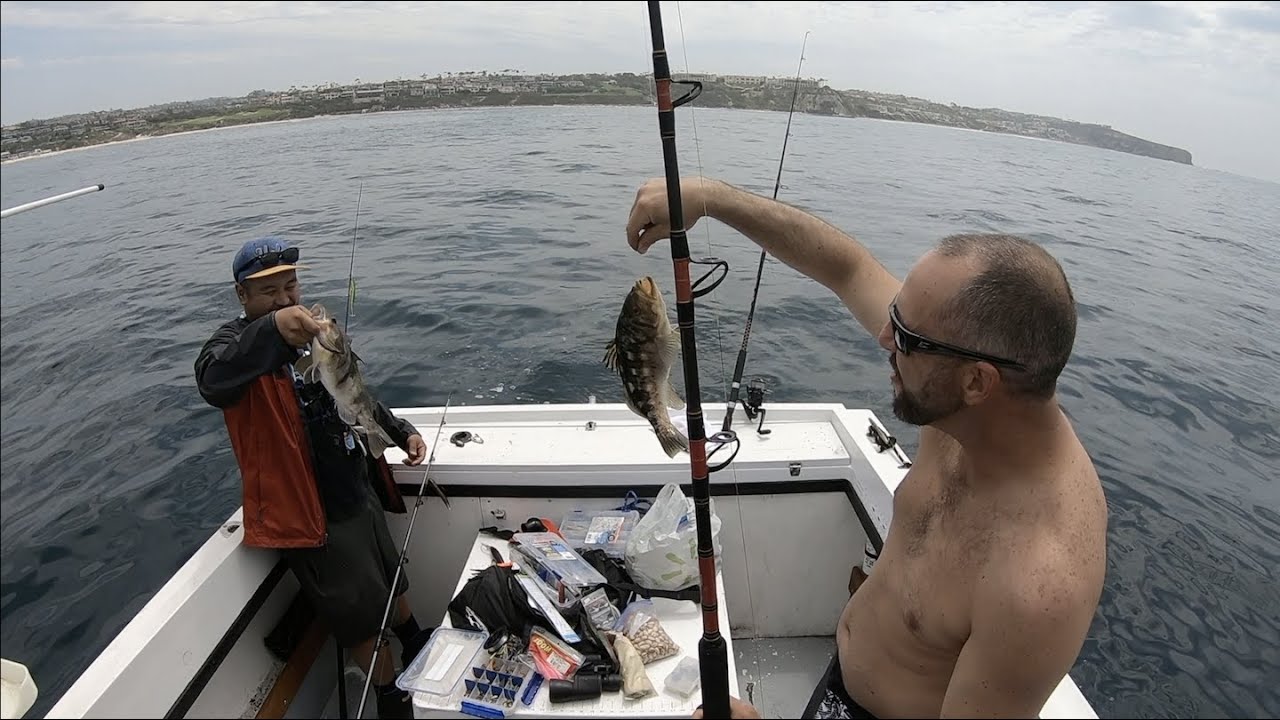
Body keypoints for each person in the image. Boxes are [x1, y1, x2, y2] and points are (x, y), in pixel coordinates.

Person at [629, 177, 1108, 720]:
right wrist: (710, 199)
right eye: (897, 316)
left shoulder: (1037, 583)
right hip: (840, 681)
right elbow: (847, 269)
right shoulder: (964, 403)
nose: (884, 337)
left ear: (978, 382)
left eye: (905, 336)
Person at [194, 236, 432, 719]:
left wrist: (398, 430)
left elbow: (352, 392)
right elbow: (212, 379)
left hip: (355, 492)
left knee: (391, 579)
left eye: (290, 287)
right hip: (310, 516)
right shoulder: (232, 348)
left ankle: (418, 645)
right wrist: (276, 331)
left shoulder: (315, 339)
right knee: (363, 619)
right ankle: (391, 698)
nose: (285, 300)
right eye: (269, 292)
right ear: (242, 295)